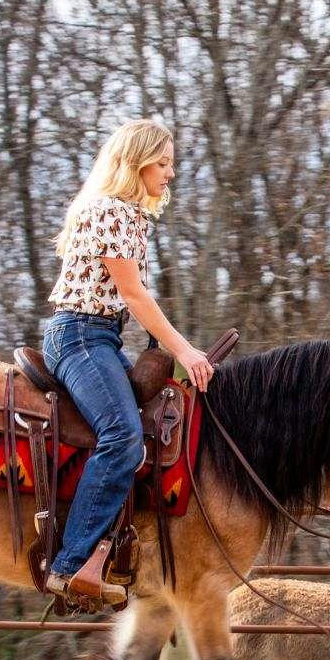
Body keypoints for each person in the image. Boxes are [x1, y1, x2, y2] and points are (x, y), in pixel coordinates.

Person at [43, 118, 214, 603]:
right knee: (122, 437)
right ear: (136, 163)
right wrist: (184, 349)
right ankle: (72, 564)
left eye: (171, 164)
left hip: (97, 338)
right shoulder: (117, 213)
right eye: (163, 163)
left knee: (144, 431)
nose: (170, 174)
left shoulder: (113, 211)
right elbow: (134, 296)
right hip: (81, 338)